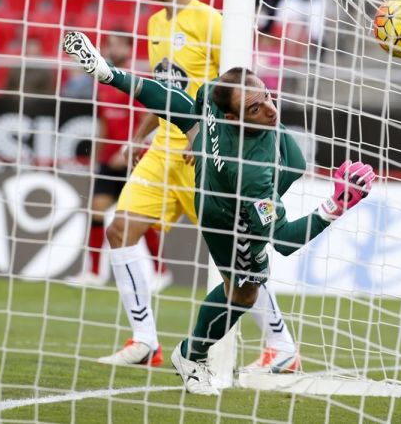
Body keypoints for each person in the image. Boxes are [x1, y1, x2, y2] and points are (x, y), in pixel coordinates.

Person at [63, 30, 375, 394]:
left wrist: (108, 74)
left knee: (238, 283)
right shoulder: (254, 173)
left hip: (220, 179)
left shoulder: (215, 92)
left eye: (268, 98)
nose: (271, 110)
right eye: (256, 109)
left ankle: (246, 349)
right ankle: (191, 354)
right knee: (244, 291)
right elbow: (286, 242)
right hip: (229, 214)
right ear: (233, 116)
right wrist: (334, 206)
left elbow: (173, 102)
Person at [94, 0, 304, 373]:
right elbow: (166, 89)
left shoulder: (211, 22)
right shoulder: (154, 24)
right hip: (161, 152)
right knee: (119, 231)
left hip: (204, 158)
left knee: (236, 262)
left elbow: (233, 88)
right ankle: (144, 341)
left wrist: (199, 130)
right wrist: (140, 135)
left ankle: (281, 345)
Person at [64, 34, 171, 288]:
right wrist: (98, 154)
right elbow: (104, 121)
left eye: (117, 44)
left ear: (129, 47)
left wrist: (128, 148)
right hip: (108, 160)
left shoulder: (135, 80)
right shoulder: (101, 80)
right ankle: (94, 272)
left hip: (132, 158)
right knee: (97, 208)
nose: (112, 48)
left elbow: (151, 116)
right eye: (109, 44)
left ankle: (160, 271)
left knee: (138, 215)